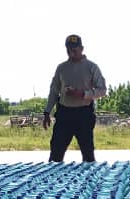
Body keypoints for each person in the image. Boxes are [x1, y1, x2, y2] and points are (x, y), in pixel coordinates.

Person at [43, 35, 107, 163]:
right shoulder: (61, 68)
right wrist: (47, 112)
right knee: (56, 154)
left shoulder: (91, 67)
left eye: (74, 50)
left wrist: (83, 94)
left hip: (84, 114)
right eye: (68, 50)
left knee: (88, 155)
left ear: (82, 48)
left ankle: (89, 181)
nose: (71, 53)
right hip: (64, 114)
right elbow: (54, 91)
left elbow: (102, 90)